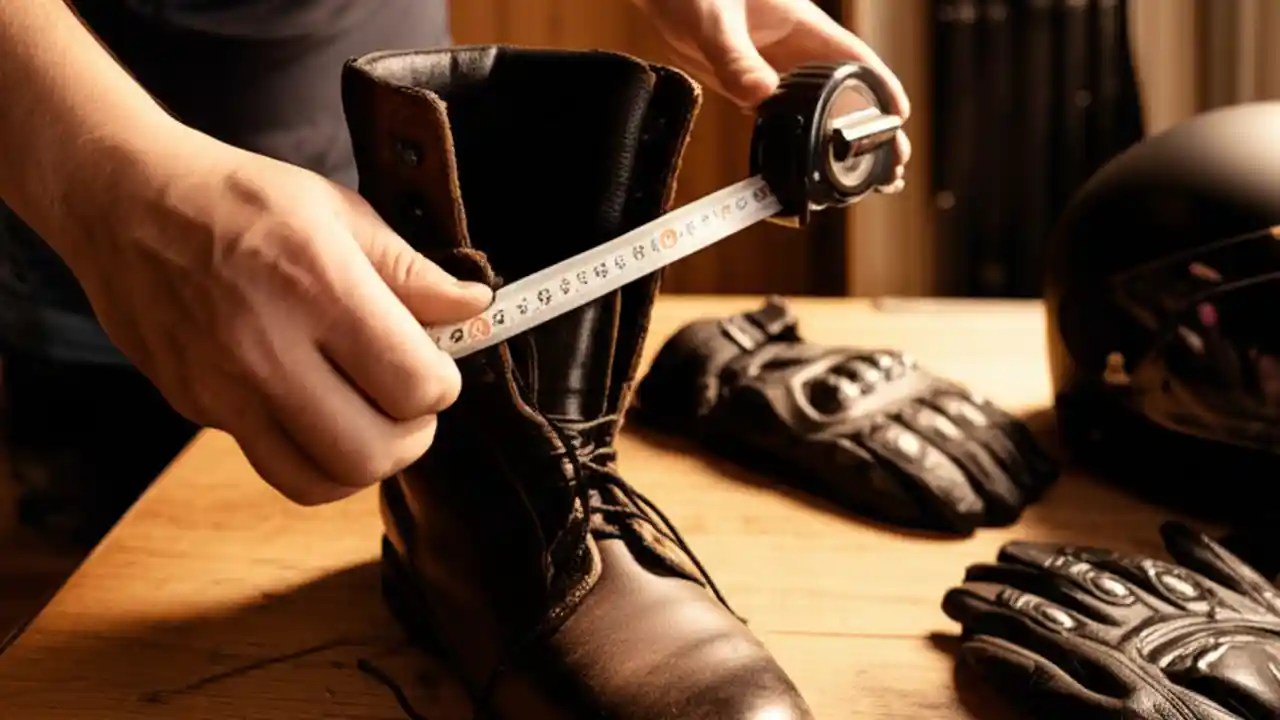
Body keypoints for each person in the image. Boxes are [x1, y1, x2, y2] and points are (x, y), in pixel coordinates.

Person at [0, 0, 911, 545]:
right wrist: (98, 177)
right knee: (110, 583)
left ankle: (497, 532)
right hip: (88, 239)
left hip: (356, 145)